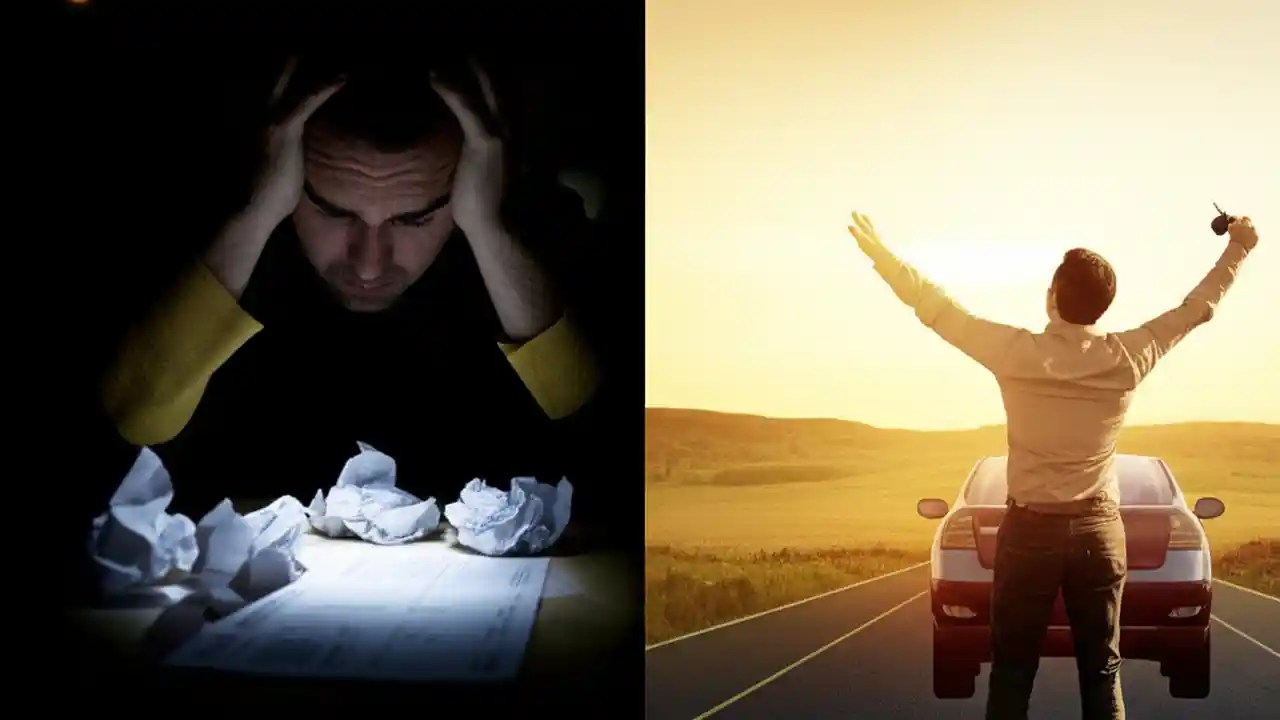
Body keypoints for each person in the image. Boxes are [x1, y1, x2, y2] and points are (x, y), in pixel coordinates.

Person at [97, 53, 601, 516]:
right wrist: (259, 212)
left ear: (479, 178)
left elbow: (595, 429)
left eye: (415, 219)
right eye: (333, 211)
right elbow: (137, 419)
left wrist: (486, 228)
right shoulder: (220, 229)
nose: (368, 266)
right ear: (282, 171)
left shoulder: (529, 232)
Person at [846, 211, 1258, 719]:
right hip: (1098, 533)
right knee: (1102, 671)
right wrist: (1240, 246)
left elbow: (935, 306)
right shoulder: (1129, 356)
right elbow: (1198, 307)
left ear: (1053, 297)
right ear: (1104, 305)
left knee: (1011, 673)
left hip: (1029, 532)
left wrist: (881, 256)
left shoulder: (1015, 352)